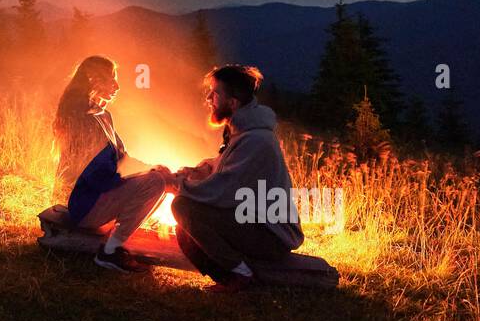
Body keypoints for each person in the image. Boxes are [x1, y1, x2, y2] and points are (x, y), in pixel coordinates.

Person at [170, 64, 304, 293]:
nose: (209, 98)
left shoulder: (256, 140)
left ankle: (242, 276)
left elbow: (224, 191)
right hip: (254, 222)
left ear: (232, 103)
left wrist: (175, 184)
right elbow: (225, 166)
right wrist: (200, 169)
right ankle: (231, 278)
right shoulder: (243, 131)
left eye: (215, 93)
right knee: (184, 228)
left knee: (183, 207)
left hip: (272, 234)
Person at [53, 55, 173, 273]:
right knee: (156, 183)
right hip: (82, 203)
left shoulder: (103, 115)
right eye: (111, 79)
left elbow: (122, 158)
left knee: (158, 179)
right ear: (93, 80)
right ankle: (109, 253)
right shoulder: (83, 119)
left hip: (93, 198)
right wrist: (143, 178)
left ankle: (114, 242)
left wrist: (152, 168)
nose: (117, 86)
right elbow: (93, 175)